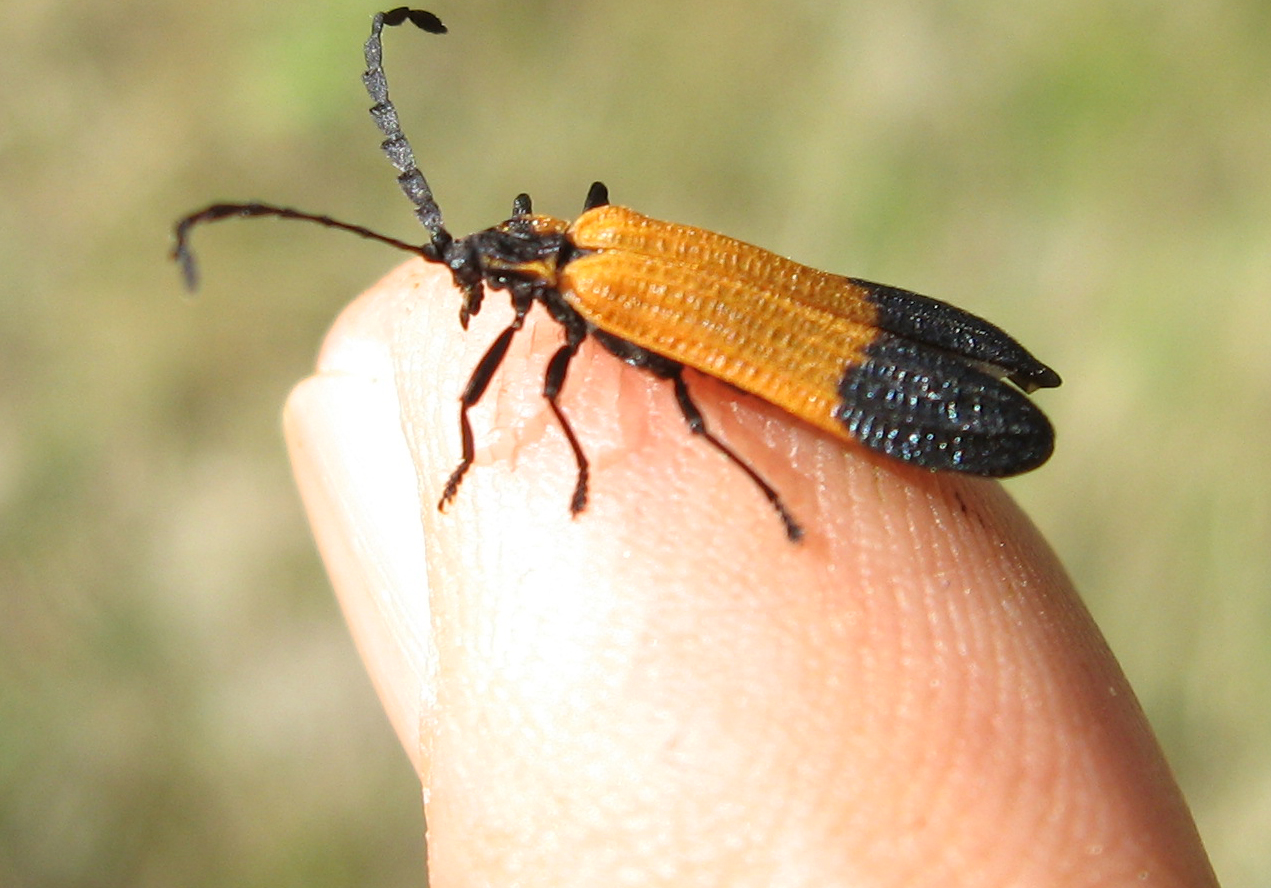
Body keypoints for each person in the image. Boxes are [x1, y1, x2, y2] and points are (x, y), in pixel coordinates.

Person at [284, 260, 1219, 887]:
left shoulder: (591, 277)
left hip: (736, 327)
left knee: (691, 417)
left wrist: (570, 464)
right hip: (645, 276)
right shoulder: (583, 243)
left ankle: (771, 496)